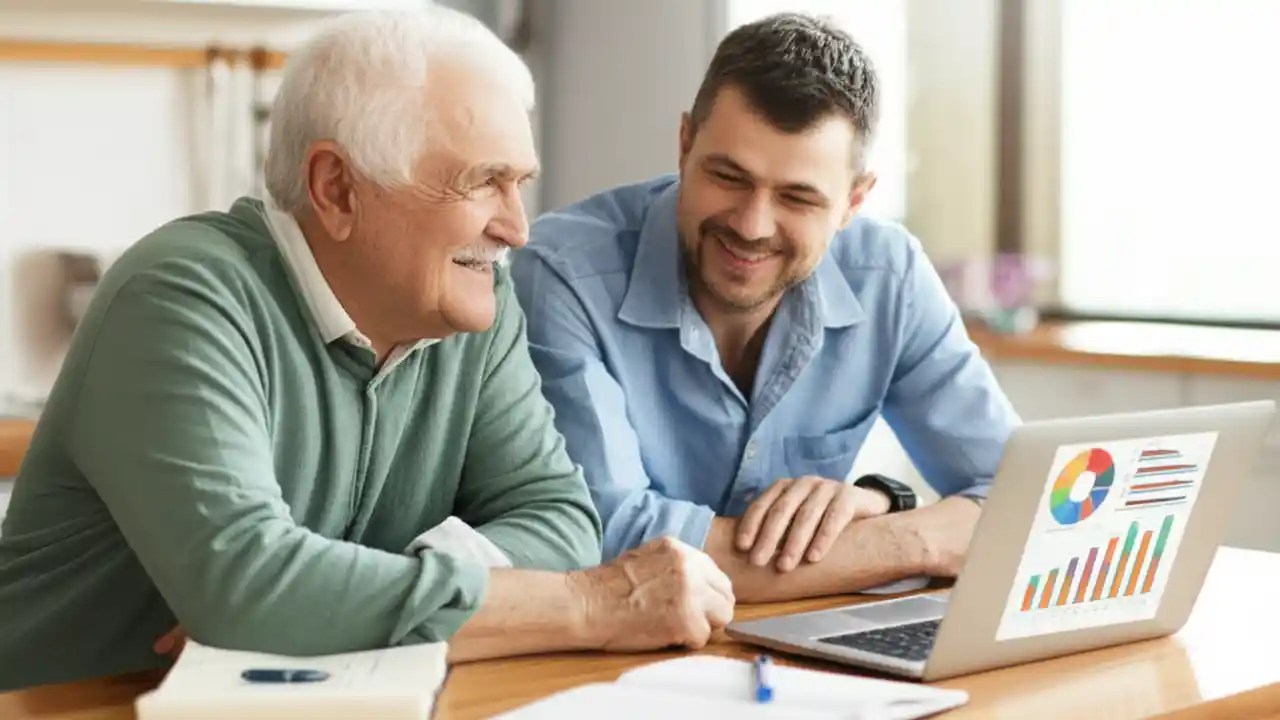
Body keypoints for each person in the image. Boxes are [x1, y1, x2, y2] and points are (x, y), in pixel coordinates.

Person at [0, 8, 732, 691]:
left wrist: (323, 608)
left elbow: (560, 520)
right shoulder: (182, 295)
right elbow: (250, 587)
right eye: (483, 182)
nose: (516, 228)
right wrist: (589, 604)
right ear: (338, 190)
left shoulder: (474, 306)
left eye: (520, 184)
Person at [512, 12, 1020, 604]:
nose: (752, 226)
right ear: (684, 145)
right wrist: (913, 541)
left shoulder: (889, 276)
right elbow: (609, 537)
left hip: (796, 642)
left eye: (797, 198)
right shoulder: (562, 275)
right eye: (729, 177)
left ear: (854, 201)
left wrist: (879, 501)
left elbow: (1022, 502)